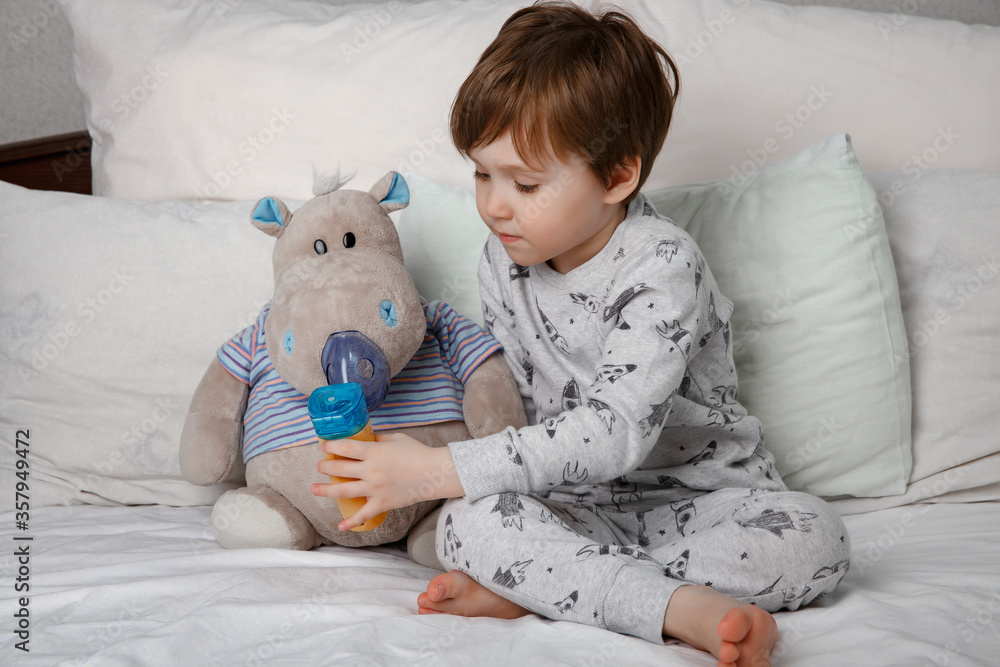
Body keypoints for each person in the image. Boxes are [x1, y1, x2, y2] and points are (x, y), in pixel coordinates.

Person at [311, 3, 850, 665]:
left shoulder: (663, 265)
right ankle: (611, 589)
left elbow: (614, 430)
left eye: (526, 182)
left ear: (619, 176)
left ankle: (568, 586)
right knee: (462, 524)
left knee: (812, 538)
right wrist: (421, 468)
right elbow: (518, 406)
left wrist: (435, 469)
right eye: (482, 173)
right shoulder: (502, 257)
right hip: (574, 503)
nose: (494, 204)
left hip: (707, 497)